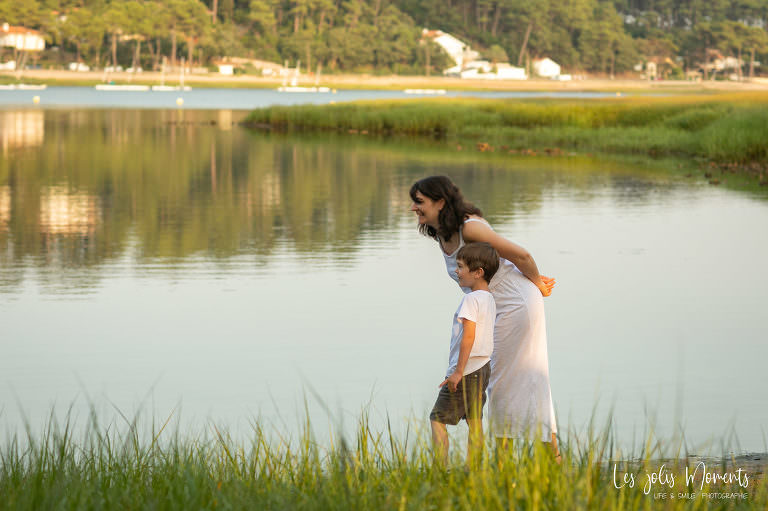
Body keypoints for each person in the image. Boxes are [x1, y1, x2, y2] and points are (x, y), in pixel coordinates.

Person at [410, 175, 560, 460]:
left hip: (516, 302)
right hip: (492, 307)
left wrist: (538, 283)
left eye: (419, 202)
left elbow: (522, 255)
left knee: (505, 381)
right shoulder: (444, 234)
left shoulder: (471, 228)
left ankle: (513, 462)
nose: (414, 208)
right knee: (511, 380)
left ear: (440, 202)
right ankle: (549, 457)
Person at [430, 242, 499, 468]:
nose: (456, 272)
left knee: (437, 419)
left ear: (478, 272)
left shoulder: (471, 299)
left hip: (467, 369)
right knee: (475, 421)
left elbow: (469, 336)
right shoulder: (488, 298)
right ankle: (475, 470)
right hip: (483, 367)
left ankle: (440, 470)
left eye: (460, 267)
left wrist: (457, 371)